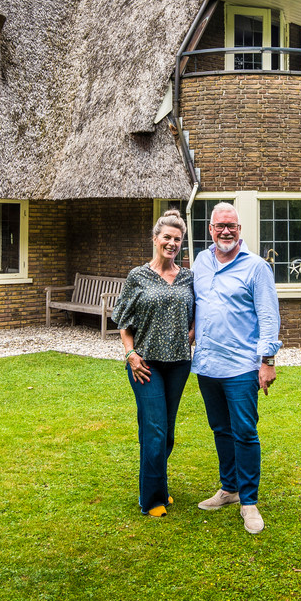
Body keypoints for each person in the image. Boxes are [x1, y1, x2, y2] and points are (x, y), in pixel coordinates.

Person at [192, 202, 281, 534]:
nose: (225, 231)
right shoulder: (201, 261)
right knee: (220, 429)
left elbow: (269, 316)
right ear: (210, 230)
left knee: (244, 432)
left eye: (231, 225)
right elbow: (196, 302)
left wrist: (268, 361)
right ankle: (228, 489)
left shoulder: (256, 267)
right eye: (219, 226)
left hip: (243, 366)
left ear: (239, 229)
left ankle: (249, 502)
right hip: (207, 365)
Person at [111, 209, 194, 517]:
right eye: (167, 237)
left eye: (178, 239)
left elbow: (200, 313)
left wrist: (192, 332)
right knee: (155, 429)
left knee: (164, 430)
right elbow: (122, 319)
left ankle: (157, 484)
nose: (172, 243)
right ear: (155, 239)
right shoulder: (138, 276)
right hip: (145, 365)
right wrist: (130, 354)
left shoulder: (188, 277)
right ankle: (152, 499)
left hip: (178, 364)